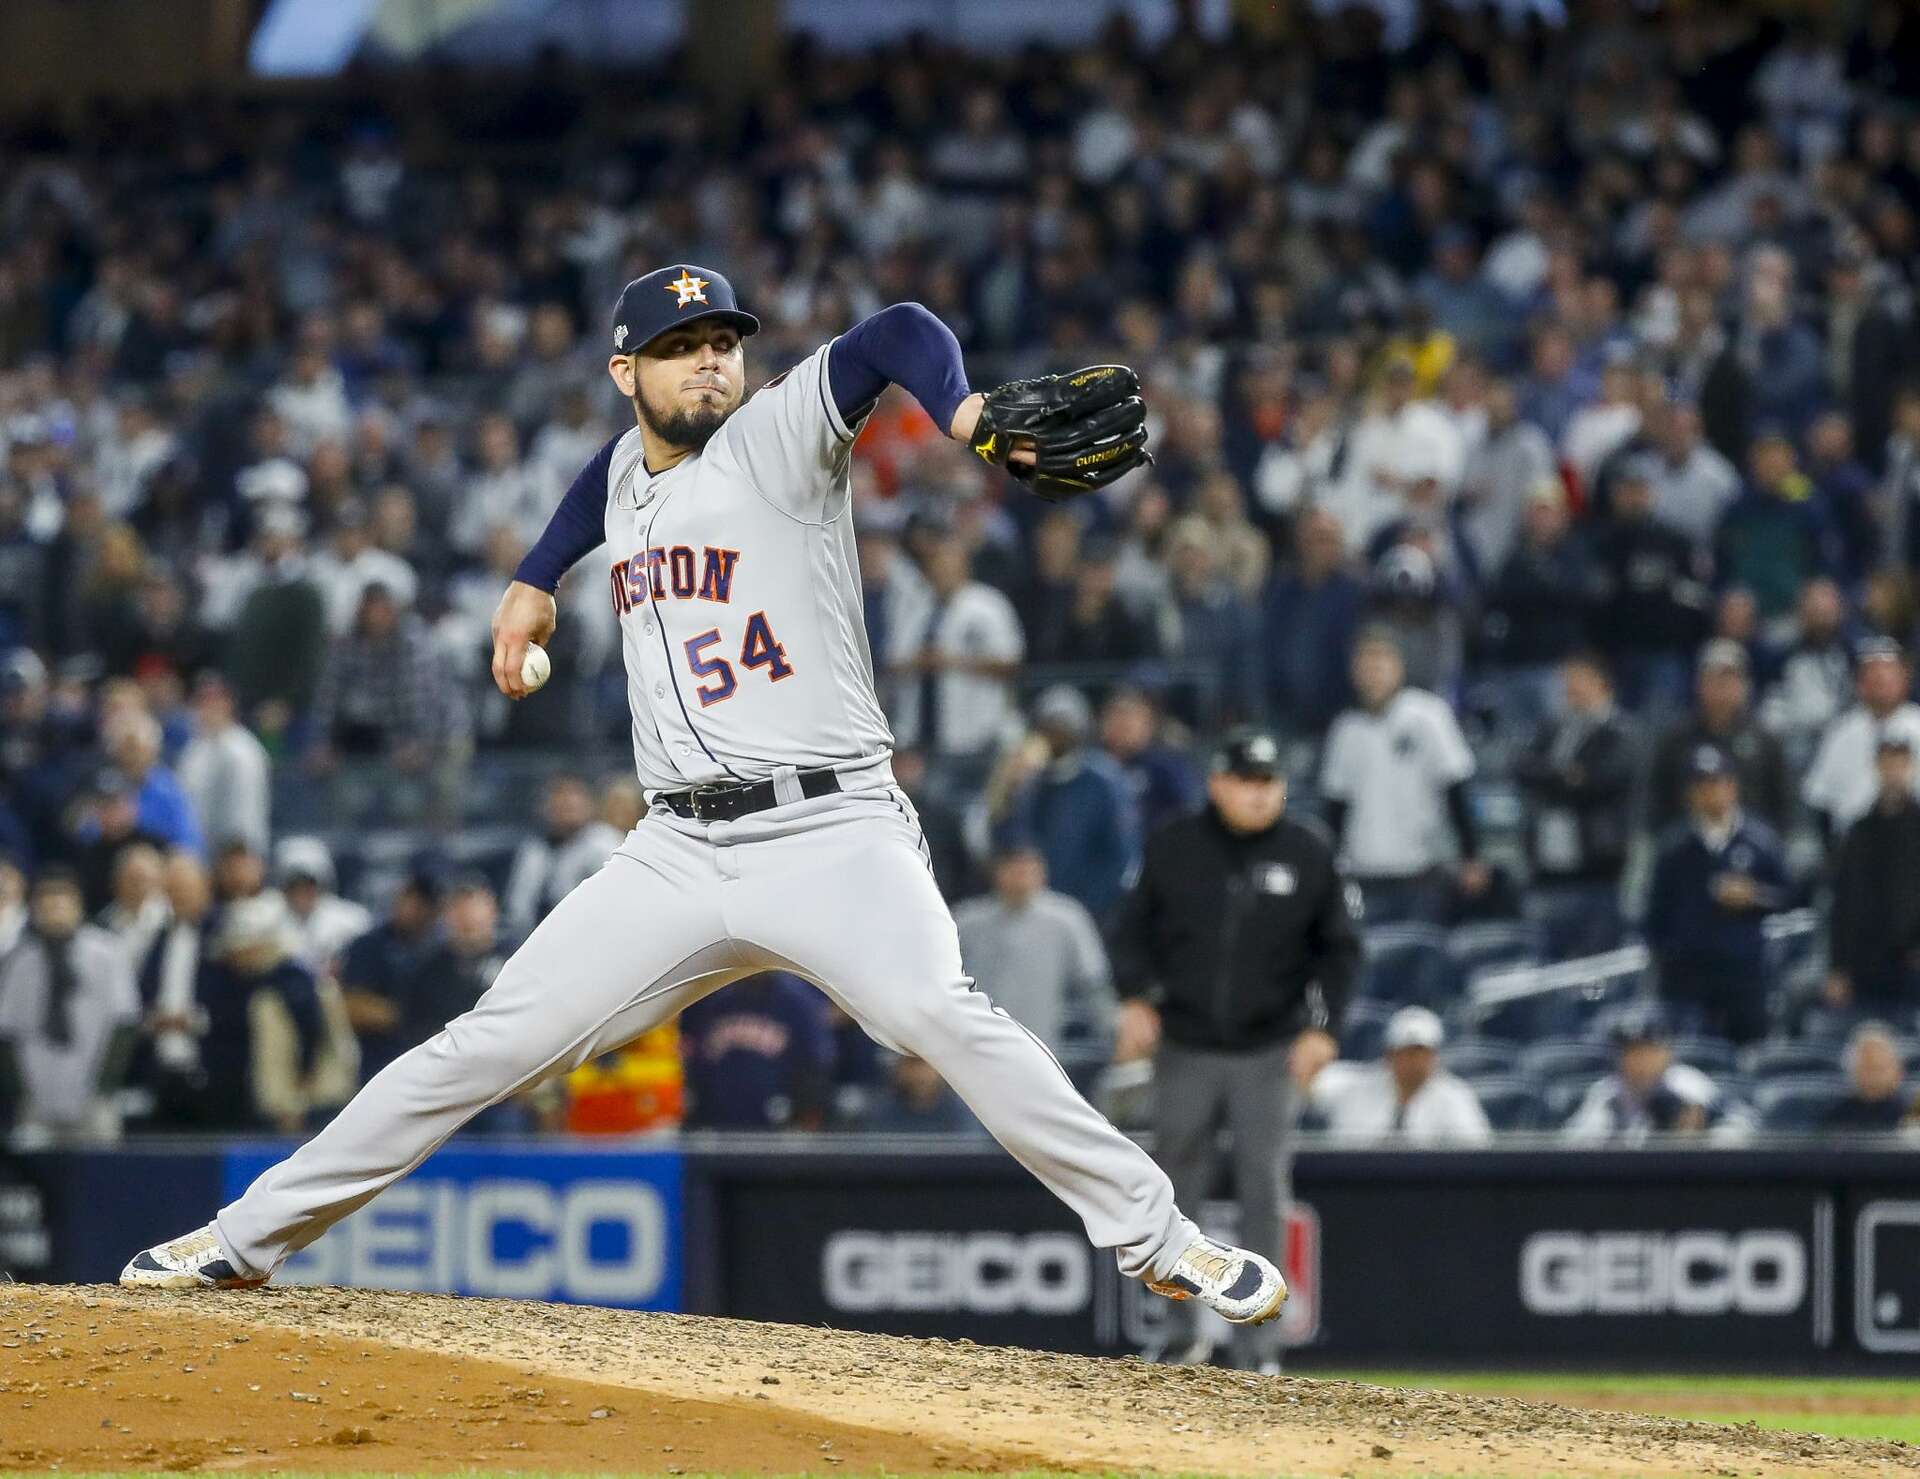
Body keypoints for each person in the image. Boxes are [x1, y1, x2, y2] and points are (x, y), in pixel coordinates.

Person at [122, 266, 1286, 1330]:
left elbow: (896, 331)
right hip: (674, 851)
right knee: (480, 1047)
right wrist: (533, 579)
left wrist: (968, 415)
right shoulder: (630, 467)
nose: (712, 362)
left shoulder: (782, 434)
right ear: (627, 373)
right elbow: (600, 485)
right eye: (682, 347)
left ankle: (1162, 1240)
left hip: (831, 829)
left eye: (724, 341)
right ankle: (242, 1243)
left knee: (940, 1012)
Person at [1110, 727, 1357, 1372]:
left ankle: (1258, 1347)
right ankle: (1177, 1334)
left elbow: (1340, 949)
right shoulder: (1175, 846)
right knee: (1172, 1194)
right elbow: (1131, 930)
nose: (1258, 795)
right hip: (1185, 1042)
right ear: (1218, 783)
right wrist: (1134, 995)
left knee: (1262, 1191)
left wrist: (1324, 1028)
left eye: (1269, 783)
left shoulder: (1308, 852)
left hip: (1267, 1048)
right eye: (1247, 782)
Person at [1319, 629, 1485, 923]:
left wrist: (1471, 855)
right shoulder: (1346, 728)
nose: (1373, 673)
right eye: (1366, 664)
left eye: (1381, 663)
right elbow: (1335, 808)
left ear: (1399, 667)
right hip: (1363, 874)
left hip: (1420, 872)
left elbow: (1456, 787)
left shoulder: (1428, 715)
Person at [1643, 744, 1792, 1044]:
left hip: (1743, 972)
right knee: (1690, 1054)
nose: (1709, 792)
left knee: (1749, 1050)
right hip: (1687, 976)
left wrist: (1754, 896)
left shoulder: (1759, 840)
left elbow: (1789, 896)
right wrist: (1669, 956)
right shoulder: (1675, 847)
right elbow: (1655, 914)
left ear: (1732, 786)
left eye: (1716, 782)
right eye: (1701, 785)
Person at [954, 843, 1116, 1089]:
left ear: (1042, 871)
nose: (1021, 875)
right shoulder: (967, 921)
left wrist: (1115, 1033)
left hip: (1044, 1051)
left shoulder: (1067, 918)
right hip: (973, 1051)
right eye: (1013, 867)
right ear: (996, 871)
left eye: (1028, 867)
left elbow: (1093, 983)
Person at [0, 867, 140, 1145]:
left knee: (100, 1175)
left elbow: (125, 1022)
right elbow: (7, 1032)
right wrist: (20, 1091)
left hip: (93, 1095)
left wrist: (104, 1087)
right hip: (37, 1097)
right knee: (37, 1179)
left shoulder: (105, 951)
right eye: (47, 906)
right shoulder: (21, 960)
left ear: (78, 906)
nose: (54, 914)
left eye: (61, 905)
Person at [1512, 653, 1637, 954]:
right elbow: (1520, 768)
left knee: (1595, 968)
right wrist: (1566, 776)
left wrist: (1556, 777)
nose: (1571, 687)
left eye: (1579, 679)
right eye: (1567, 680)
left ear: (1602, 683)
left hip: (1596, 871)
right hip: (1546, 869)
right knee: (1546, 966)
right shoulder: (1553, 728)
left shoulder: (1620, 732)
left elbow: (1601, 782)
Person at [984, 686, 1140, 924]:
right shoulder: (1027, 778)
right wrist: (1010, 788)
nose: (1056, 734)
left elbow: (1119, 854)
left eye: (1063, 727)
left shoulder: (1102, 780)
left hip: (1091, 910)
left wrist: (1089, 907)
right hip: (1029, 908)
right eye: (1049, 726)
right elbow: (1005, 844)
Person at [1645, 640, 1793, 835]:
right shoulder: (1675, 740)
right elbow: (1656, 800)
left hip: (1753, 848)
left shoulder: (1765, 740)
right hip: (1686, 847)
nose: (1722, 689)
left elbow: (1783, 804)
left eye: (1730, 680)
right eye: (1715, 680)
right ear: (1699, 685)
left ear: (1745, 686)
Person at [1825, 733, 1920, 1027]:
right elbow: (1842, 901)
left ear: (1911, 767)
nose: (1893, 771)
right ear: (1877, 767)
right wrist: (1837, 967)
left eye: (1900, 763)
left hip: (1912, 963)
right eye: (1887, 763)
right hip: (1864, 964)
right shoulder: (1859, 830)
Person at [1303, 1006, 1492, 1146]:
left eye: (1422, 1052)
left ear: (1435, 1057)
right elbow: (1307, 1083)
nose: (1415, 1061)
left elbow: (1477, 1149)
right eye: (1407, 1052)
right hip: (1353, 1184)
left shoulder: (1454, 1096)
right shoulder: (1356, 1086)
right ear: (1389, 1055)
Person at [678, 971, 834, 1130]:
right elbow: (692, 1056)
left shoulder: (797, 1000)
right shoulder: (713, 998)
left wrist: (804, 1115)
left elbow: (815, 1064)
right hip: (716, 1120)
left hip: (778, 1121)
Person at [1803, 639, 1920, 846]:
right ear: (1860, 682)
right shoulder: (1841, 732)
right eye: (1872, 673)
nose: (1880, 680)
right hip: (1853, 848)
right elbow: (1821, 802)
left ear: (1904, 679)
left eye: (1888, 673)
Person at [333, 871, 441, 1078]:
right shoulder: (369, 945)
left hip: (432, 1064)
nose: (415, 908)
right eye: (410, 898)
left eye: (423, 902)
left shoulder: (441, 950)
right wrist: (411, 1016)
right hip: (377, 1062)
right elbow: (351, 1008)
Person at [1564, 1008, 1725, 1143]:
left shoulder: (1691, 1086)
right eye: (1632, 1052)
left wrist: (1699, 1129)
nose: (1641, 1061)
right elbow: (1576, 1144)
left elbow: (1736, 1130)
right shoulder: (1607, 1092)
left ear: (1666, 1053)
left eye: (1648, 1051)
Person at [502, 772, 623, 939]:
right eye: (558, 806)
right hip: (538, 939)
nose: (564, 812)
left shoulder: (604, 843)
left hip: (593, 935)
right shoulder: (535, 849)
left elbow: (617, 902)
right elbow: (518, 909)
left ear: (589, 806)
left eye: (570, 806)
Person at [175, 672, 272, 857]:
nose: (207, 706)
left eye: (214, 699)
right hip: (197, 853)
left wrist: (235, 856)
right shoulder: (195, 746)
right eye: (201, 700)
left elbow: (243, 817)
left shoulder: (242, 749)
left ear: (229, 703)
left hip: (232, 856)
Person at [274, 837, 373, 980]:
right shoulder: (267, 921)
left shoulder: (353, 920)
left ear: (322, 883)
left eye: (308, 884)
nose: (301, 891)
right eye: (294, 884)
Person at [1823, 1024, 1915, 1133]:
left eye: (1880, 1068)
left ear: (1898, 1072)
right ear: (1852, 1071)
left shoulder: (1912, 1112)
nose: (1874, 1076)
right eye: (1868, 1068)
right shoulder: (1838, 1114)